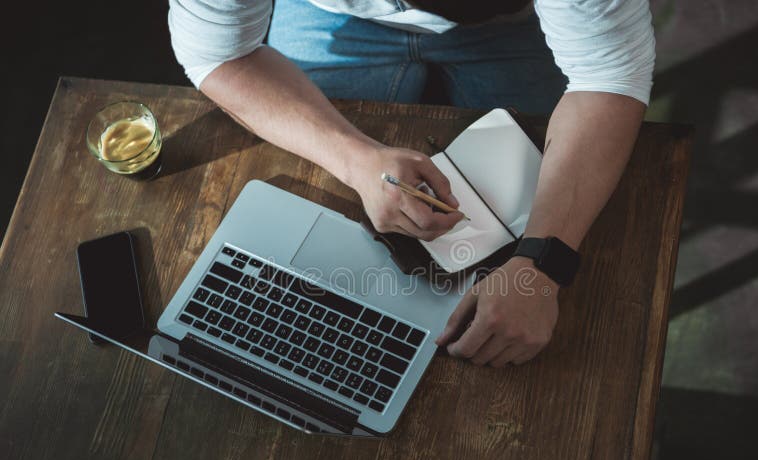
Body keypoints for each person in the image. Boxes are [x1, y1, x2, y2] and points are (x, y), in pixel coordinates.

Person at [168, 0, 655, 367]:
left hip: (510, 23)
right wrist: (358, 161)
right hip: (327, 13)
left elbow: (609, 74)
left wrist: (543, 262)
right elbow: (217, 54)